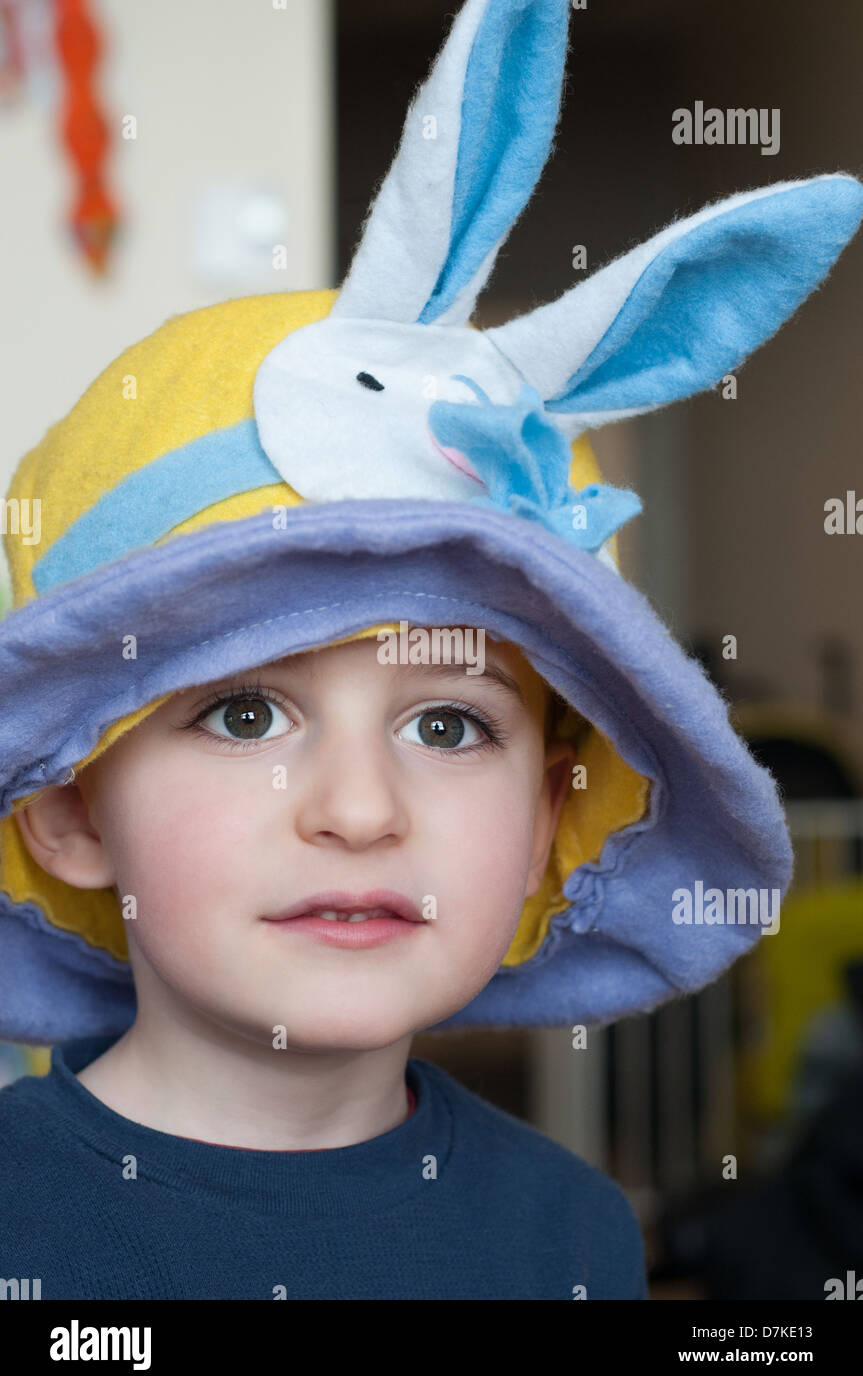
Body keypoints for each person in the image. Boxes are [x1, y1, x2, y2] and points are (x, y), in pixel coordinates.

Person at [1, 0, 860, 1300]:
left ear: (545, 818)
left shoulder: (574, 1232)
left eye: (449, 723)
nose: (359, 809)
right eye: (244, 714)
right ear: (67, 805)